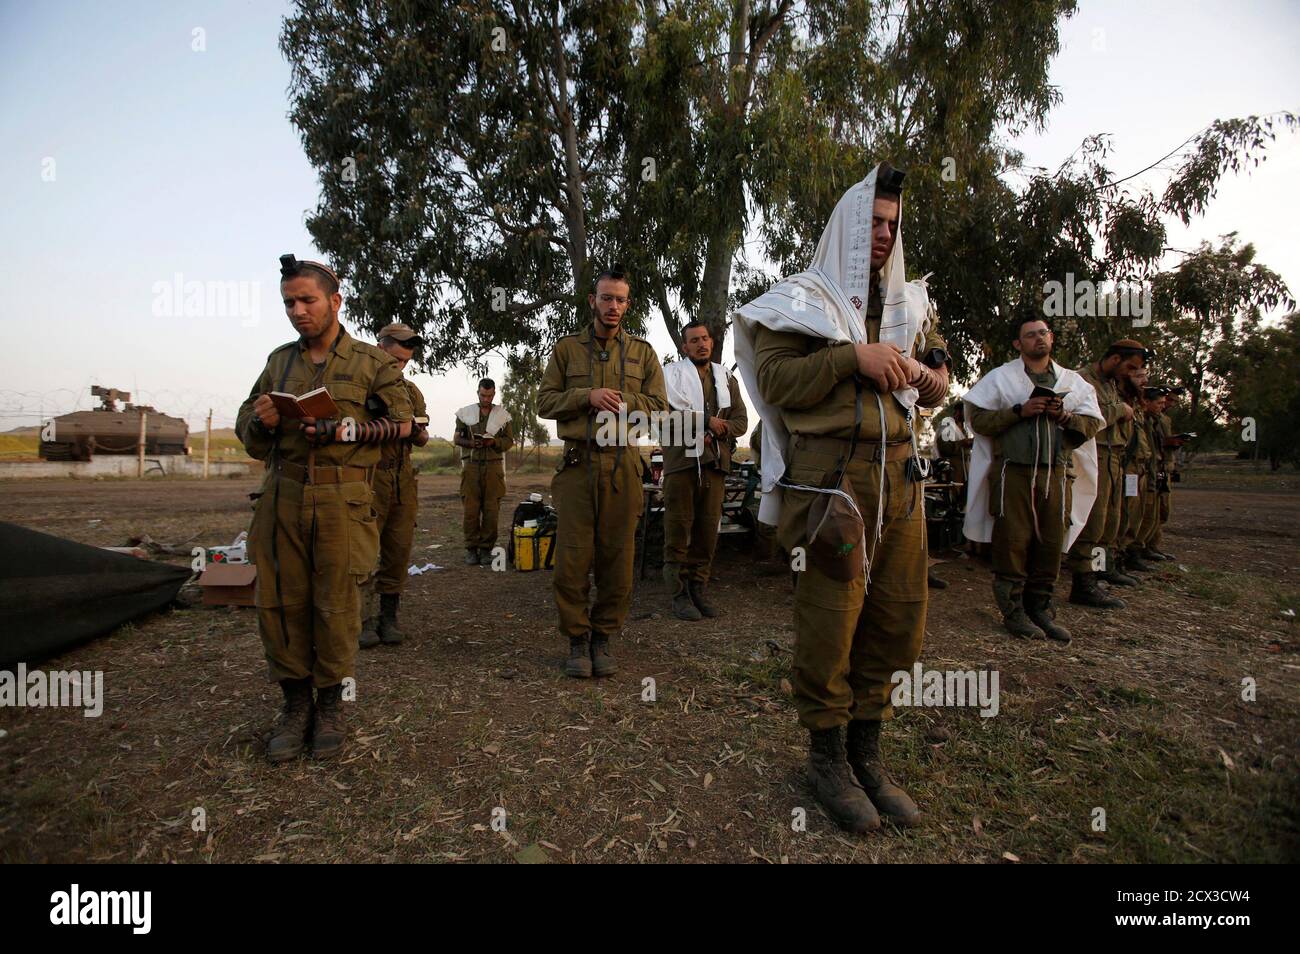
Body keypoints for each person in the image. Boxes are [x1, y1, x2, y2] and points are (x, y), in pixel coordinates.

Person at [735, 162, 949, 833]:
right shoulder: (799, 301)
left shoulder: (914, 306)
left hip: (903, 478)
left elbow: (940, 382)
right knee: (832, 617)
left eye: (893, 225)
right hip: (834, 483)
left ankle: (867, 755)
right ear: (849, 228)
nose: (883, 236)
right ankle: (825, 759)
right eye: (873, 224)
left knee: (897, 617)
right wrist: (850, 358)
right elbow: (773, 381)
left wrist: (920, 370)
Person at [236, 254, 412, 763]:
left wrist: (345, 428)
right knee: (282, 603)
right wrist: (263, 421)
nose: (297, 311)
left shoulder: (371, 362)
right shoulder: (278, 362)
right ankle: (295, 706)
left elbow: (406, 426)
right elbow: (247, 434)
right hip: (283, 495)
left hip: (343, 498)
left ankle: (330, 705)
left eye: (307, 300)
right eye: (289, 302)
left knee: (336, 603)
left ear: (335, 301)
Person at [538, 267, 667, 678]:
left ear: (628, 305)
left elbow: (660, 407)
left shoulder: (644, 353)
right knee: (573, 559)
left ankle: (603, 637)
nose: (613, 306)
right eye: (606, 298)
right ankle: (576, 639)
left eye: (620, 300)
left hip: (624, 463)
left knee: (618, 557)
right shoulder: (566, 350)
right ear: (592, 300)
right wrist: (586, 396)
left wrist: (624, 402)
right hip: (578, 463)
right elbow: (544, 402)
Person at [963, 319, 1104, 643]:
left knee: (1051, 542)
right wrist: (1019, 411)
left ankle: (1040, 608)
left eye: (1043, 333)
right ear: (1018, 344)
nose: (1038, 339)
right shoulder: (1002, 378)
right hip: (1013, 473)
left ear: (1051, 338)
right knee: (1013, 542)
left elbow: (1093, 424)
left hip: (1055, 474)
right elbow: (979, 419)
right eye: (1030, 335)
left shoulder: (1073, 382)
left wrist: (1064, 415)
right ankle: (1014, 612)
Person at [661, 321, 749, 620]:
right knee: (679, 527)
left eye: (705, 339)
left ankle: (698, 588)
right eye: (693, 340)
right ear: (684, 347)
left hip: (714, 463)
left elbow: (740, 421)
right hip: (682, 463)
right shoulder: (670, 376)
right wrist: (704, 422)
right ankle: (677, 593)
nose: (701, 344)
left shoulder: (725, 378)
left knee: (708, 529)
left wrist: (718, 430)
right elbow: (663, 417)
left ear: (712, 342)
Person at [359, 323, 430, 648]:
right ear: (381, 347)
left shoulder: (410, 391)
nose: (401, 365)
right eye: (396, 358)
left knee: (398, 550)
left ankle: (389, 617)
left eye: (405, 361)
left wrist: (415, 432)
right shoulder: (360, 385)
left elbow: (424, 436)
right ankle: (362, 620)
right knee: (361, 552)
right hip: (369, 476)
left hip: (403, 478)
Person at [1064, 340, 1148, 608]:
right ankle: (1083, 583)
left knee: (1109, 522)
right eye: (1130, 367)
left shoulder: (1112, 384)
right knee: (1092, 522)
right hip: (1092, 455)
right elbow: (1079, 418)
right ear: (1114, 359)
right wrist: (1119, 410)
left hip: (1114, 457)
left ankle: (1101, 570)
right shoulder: (1080, 381)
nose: (1132, 373)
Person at [453, 378, 515, 566]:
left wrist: (493, 442)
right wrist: (472, 443)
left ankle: (486, 549)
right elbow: (457, 438)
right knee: (471, 510)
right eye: (482, 395)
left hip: (494, 466)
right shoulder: (465, 413)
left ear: (494, 394)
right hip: (471, 465)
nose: (486, 399)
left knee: (491, 510)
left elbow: (509, 442)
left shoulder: (502, 416)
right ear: (477, 393)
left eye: (489, 395)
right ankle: (471, 549)